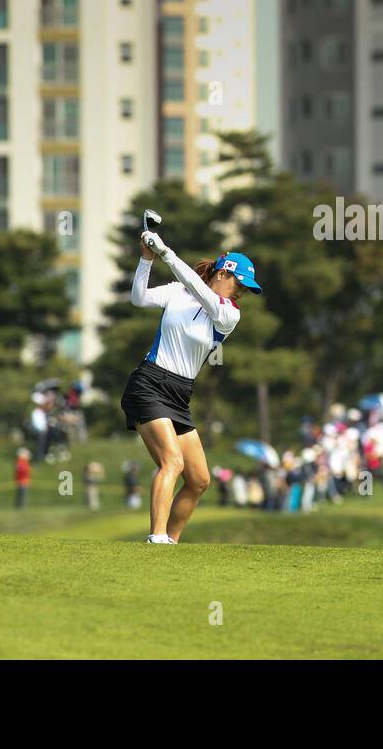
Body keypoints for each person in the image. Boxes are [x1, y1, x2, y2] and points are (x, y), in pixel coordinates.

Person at [122, 223, 261, 544]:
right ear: (223, 275)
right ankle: (156, 538)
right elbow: (138, 299)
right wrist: (147, 259)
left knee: (199, 479)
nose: (241, 292)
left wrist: (166, 252)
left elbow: (201, 291)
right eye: (240, 284)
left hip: (180, 393)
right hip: (149, 383)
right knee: (173, 462)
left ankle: (171, 540)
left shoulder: (228, 314)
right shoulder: (178, 291)